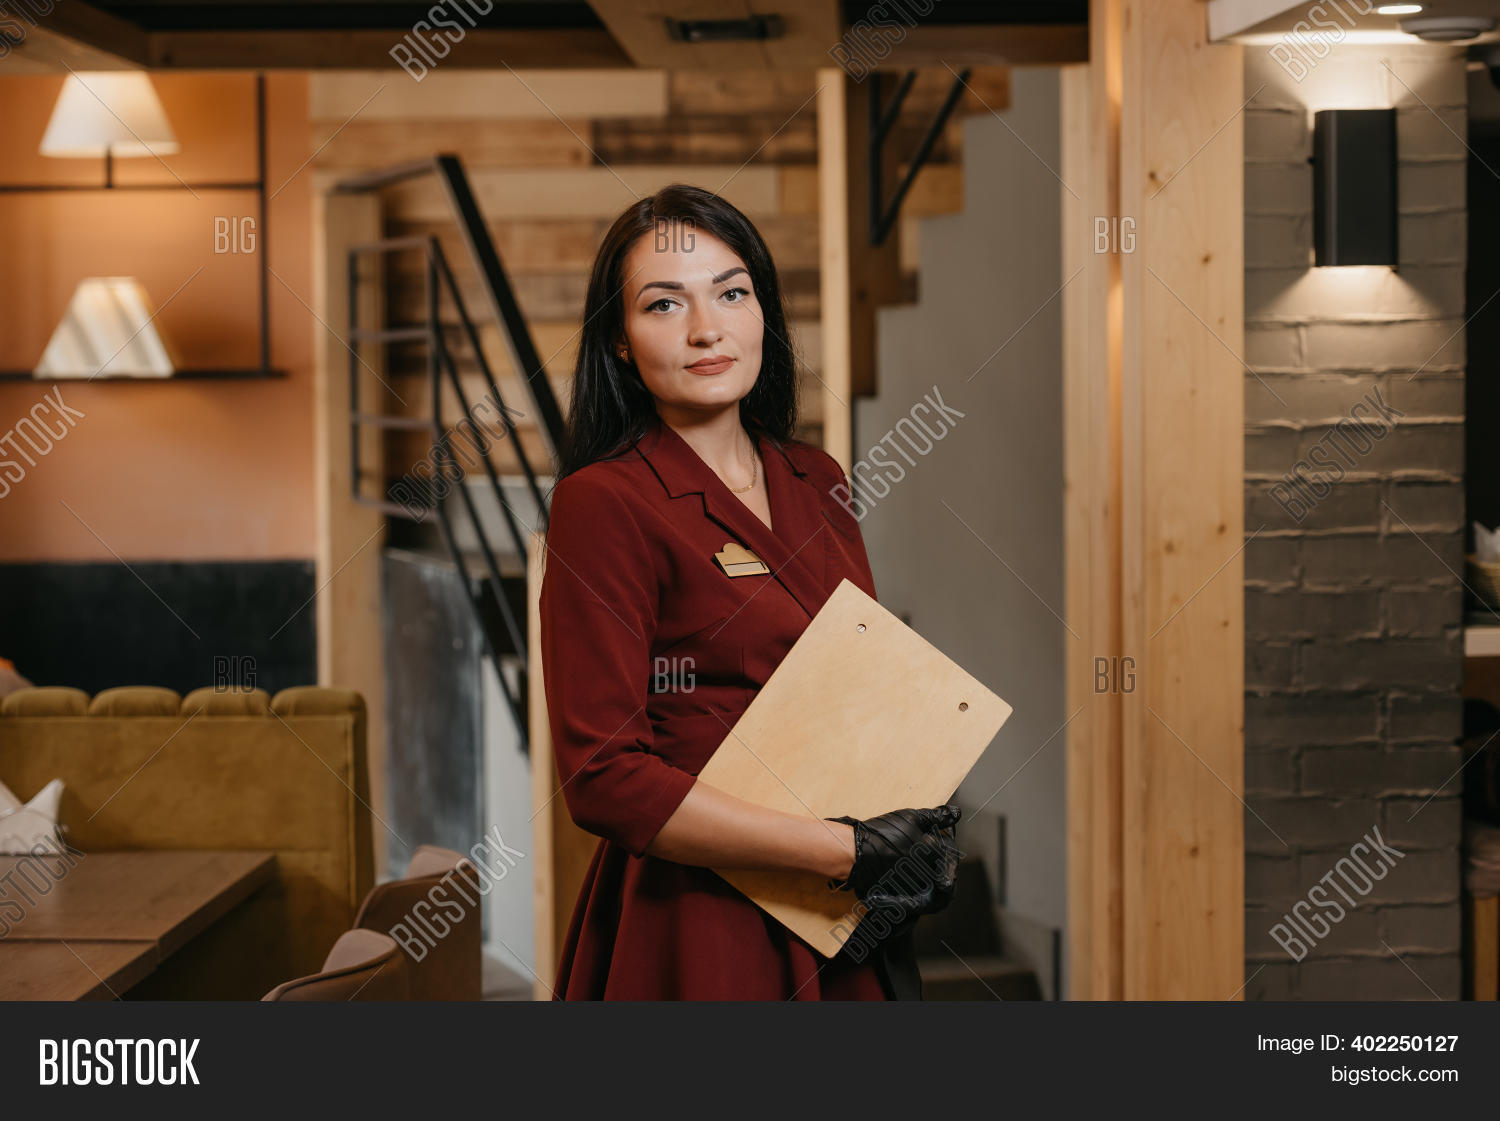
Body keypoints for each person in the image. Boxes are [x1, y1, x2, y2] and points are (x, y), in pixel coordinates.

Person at [538, 183, 961, 1000]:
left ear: (763, 309)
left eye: (732, 292)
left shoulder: (818, 477)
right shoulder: (603, 501)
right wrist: (844, 850)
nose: (707, 328)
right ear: (619, 342)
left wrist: (921, 827)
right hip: (699, 918)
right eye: (664, 304)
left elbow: (860, 688)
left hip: (839, 912)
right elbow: (603, 775)